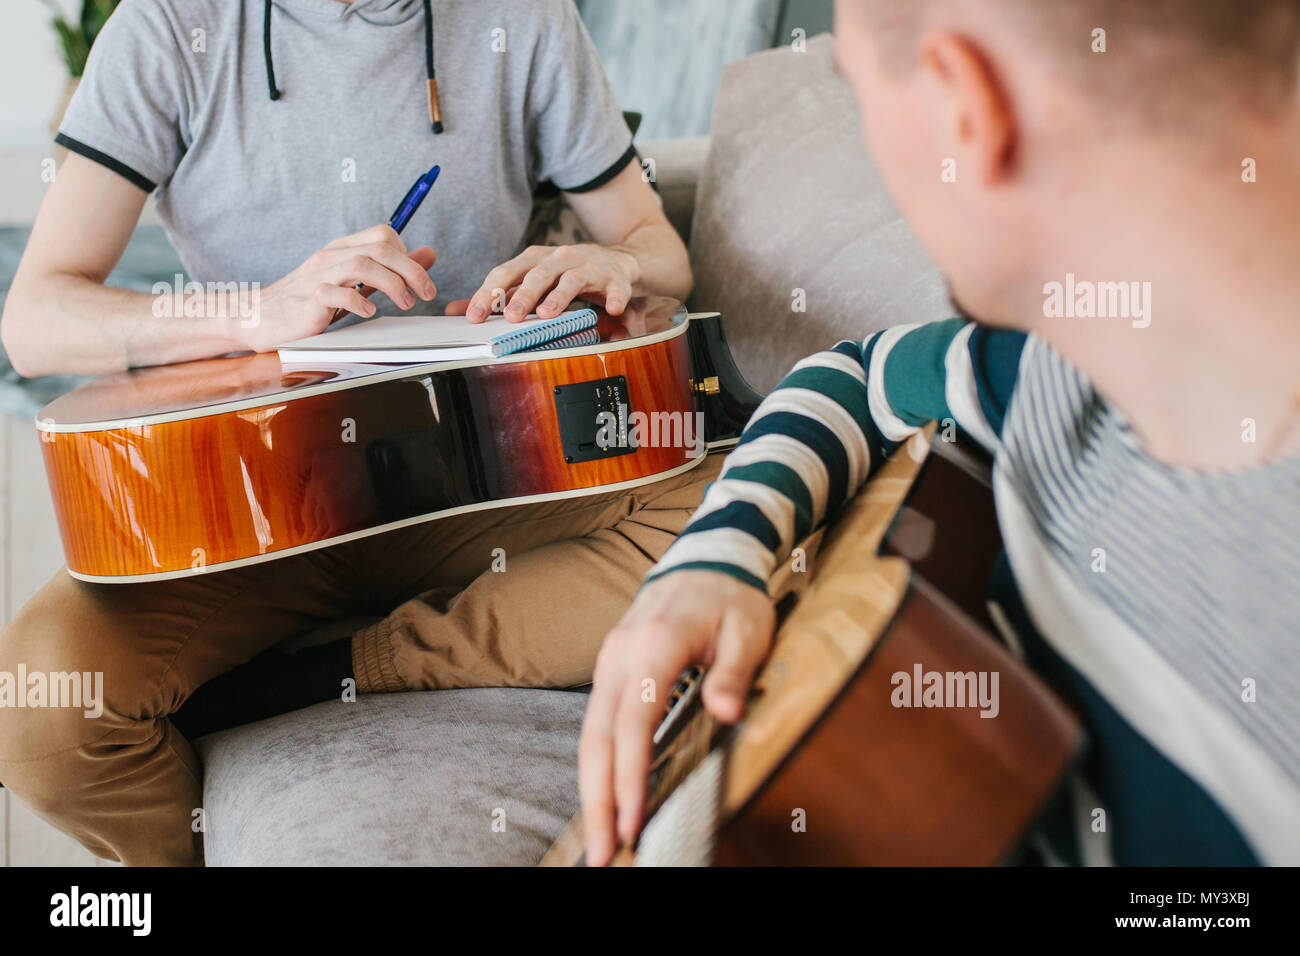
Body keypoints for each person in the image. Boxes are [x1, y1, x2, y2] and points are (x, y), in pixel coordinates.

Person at [579, 0, 1300, 867]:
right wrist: (714, 560)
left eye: (859, 93)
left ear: (969, 109)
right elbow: (852, 379)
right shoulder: (1054, 369)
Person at [0, 0, 712, 866]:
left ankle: (363, 662)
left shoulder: (523, 18)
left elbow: (657, 243)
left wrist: (617, 261)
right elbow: (34, 319)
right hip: (252, 515)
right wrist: (255, 312)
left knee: (736, 503)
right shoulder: (165, 28)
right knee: (38, 712)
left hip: (483, 485)